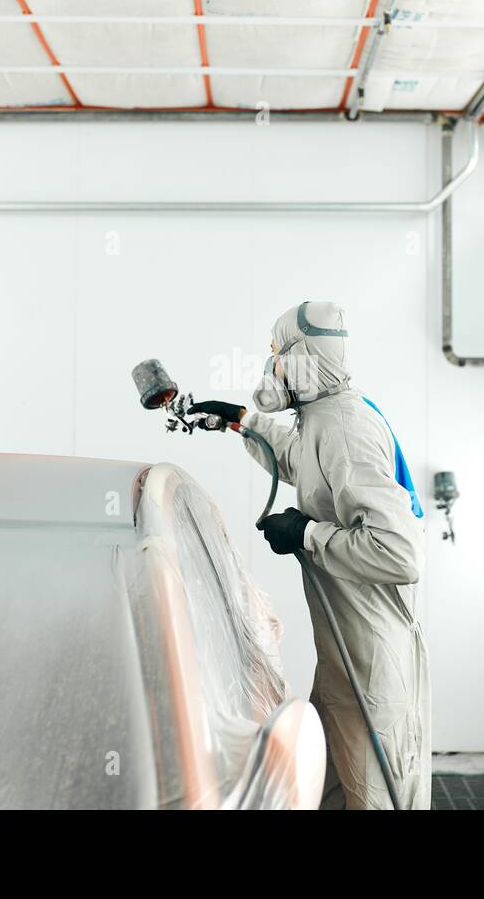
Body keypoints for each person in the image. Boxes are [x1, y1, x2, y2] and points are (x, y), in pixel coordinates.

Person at [192, 301, 431, 810]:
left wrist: (305, 534)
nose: (271, 366)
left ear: (302, 359)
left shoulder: (346, 428)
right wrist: (240, 422)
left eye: (277, 355)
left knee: (373, 795)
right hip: (344, 647)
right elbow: (303, 460)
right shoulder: (328, 414)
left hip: (368, 655)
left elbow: (400, 553)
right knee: (329, 787)